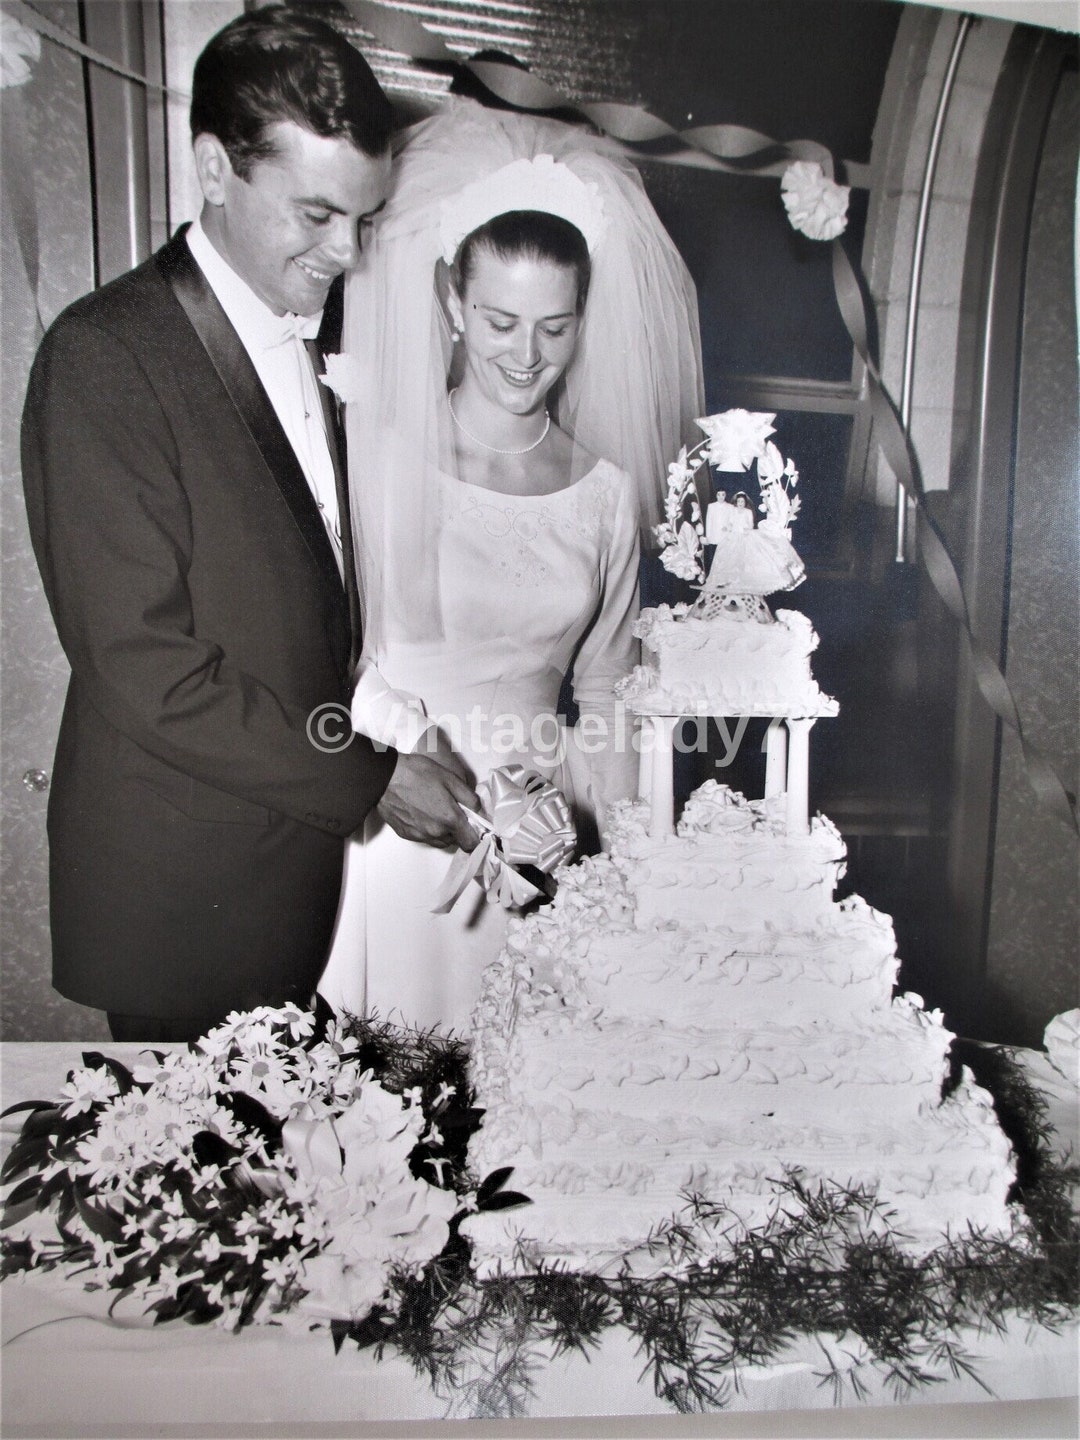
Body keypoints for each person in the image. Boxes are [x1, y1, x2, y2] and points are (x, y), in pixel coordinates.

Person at [20, 9, 477, 1045]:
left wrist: (394, 728)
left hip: (284, 884)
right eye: (316, 214)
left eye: (362, 219)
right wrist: (371, 778)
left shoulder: (300, 330)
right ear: (213, 169)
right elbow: (145, 667)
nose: (346, 252)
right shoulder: (105, 356)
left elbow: (296, 609)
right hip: (183, 901)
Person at [318, 100, 704, 1032]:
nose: (526, 356)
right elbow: (329, 654)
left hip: (549, 834)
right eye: (499, 320)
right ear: (453, 305)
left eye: (555, 327)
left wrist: (614, 861)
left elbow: (608, 692)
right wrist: (417, 762)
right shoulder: (372, 458)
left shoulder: (606, 491)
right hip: (399, 816)